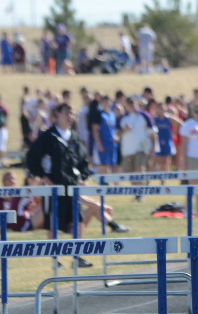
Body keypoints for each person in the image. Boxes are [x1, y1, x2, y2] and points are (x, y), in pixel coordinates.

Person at [25, 104, 129, 250]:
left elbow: (82, 162)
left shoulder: (74, 138)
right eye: (67, 113)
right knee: (53, 224)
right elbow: (31, 158)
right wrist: (44, 177)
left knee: (79, 221)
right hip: (54, 188)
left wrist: (83, 177)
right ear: (58, 114)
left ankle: (77, 255)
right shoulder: (49, 137)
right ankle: (56, 259)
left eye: (72, 114)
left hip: (72, 187)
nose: (70, 117)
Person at [0, 94, 7, 167]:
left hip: (2, 128)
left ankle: (1, 162)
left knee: (2, 146)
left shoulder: (2, 108)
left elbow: (6, 115)